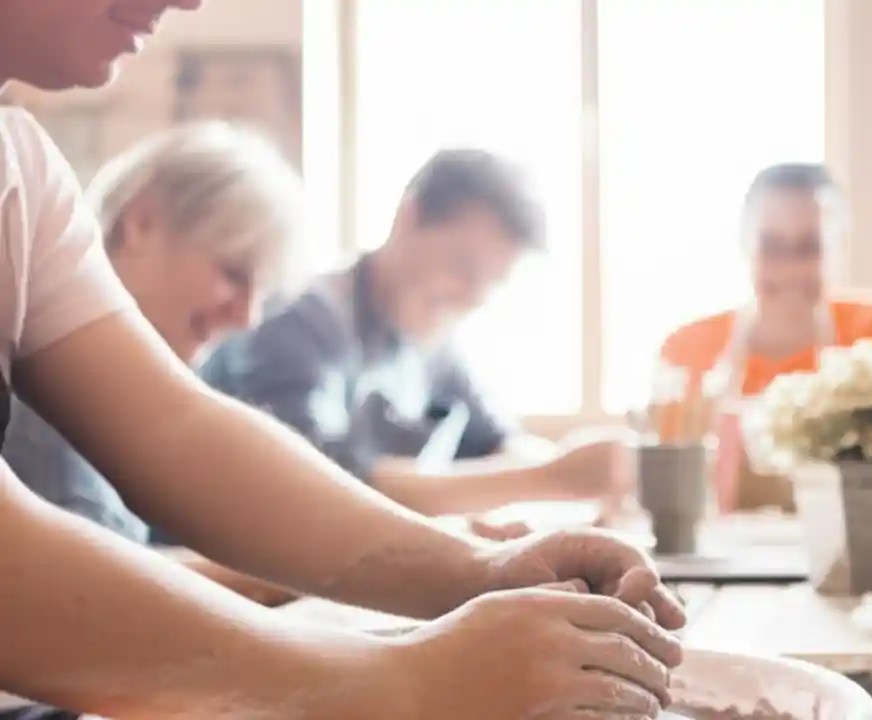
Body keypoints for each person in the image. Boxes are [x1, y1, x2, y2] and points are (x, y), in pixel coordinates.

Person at [0, 2, 682, 718]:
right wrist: (400, 676)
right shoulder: (314, 325)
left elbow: (177, 429)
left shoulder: (22, 160)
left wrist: (480, 573)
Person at [202, 149, 631, 517]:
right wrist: (548, 479)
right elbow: (315, 485)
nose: (472, 296)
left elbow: (500, 444)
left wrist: (582, 472)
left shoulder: (434, 345)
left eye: (493, 283)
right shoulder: (300, 317)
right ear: (407, 217)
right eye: (463, 267)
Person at [4, 121, 304, 607]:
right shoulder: (51, 379)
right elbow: (91, 596)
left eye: (263, 293)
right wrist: (293, 577)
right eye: (233, 273)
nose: (247, 317)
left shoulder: (166, 377)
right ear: (141, 222)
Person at [658, 163, 872, 510]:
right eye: (771, 246)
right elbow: (664, 482)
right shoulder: (686, 348)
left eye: (810, 247)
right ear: (744, 244)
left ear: (839, 247)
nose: (790, 268)